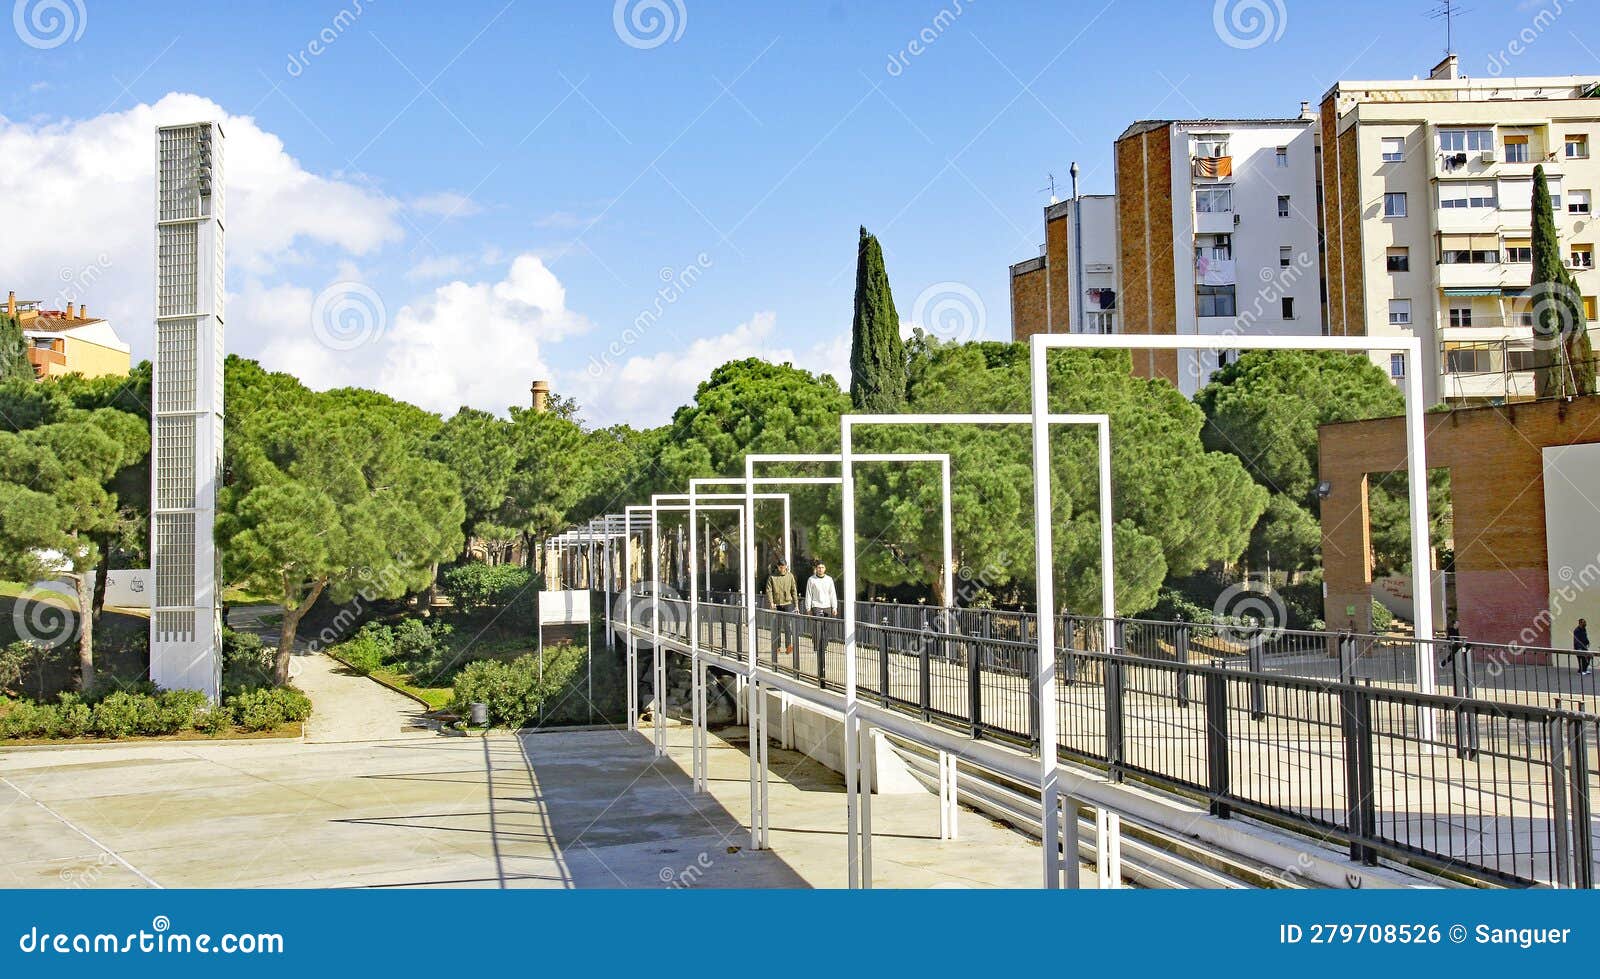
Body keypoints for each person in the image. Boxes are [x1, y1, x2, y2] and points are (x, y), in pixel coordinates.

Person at [764, 561, 798, 657]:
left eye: (784, 566)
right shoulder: (772, 577)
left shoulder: (790, 576)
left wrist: (796, 605)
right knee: (777, 626)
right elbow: (769, 590)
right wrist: (771, 602)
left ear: (786, 566)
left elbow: (794, 591)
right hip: (777, 604)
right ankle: (777, 647)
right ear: (778, 567)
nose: (782, 568)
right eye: (780, 566)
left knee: (788, 626)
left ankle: (788, 646)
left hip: (788, 603)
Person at [805, 561, 839, 657]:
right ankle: (816, 647)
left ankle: (824, 647)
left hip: (827, 606)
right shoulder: (811, 580)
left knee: (826, 628)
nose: (820, 569)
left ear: (825, 568)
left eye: (822, 567)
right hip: (816, 605)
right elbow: (808, 594)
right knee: (817, 627)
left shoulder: (829, 579)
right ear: (816, 568)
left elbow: (832, 594)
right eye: (819, 567)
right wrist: (808, 608)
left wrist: (834, 607)